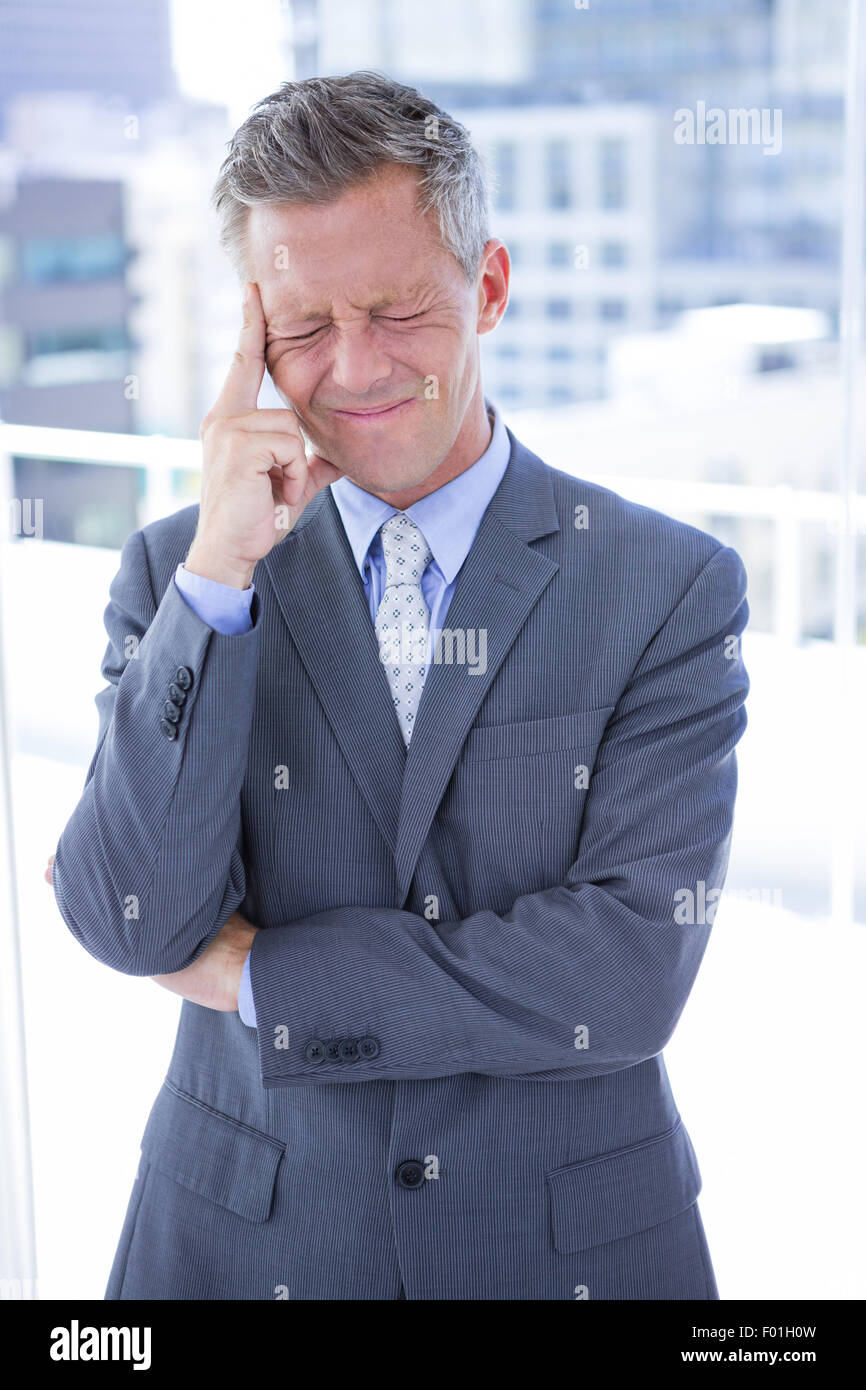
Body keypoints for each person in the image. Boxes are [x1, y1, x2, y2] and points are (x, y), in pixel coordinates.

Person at [52, 71, 749, 1301]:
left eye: (398, 309)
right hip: (243, 1243)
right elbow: (129, 920)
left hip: (564, 1251)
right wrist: (219, 574)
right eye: (303, 327)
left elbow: (621, 974)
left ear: (489, 287)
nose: (355, 367)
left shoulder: (666, 587)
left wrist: (258, 977)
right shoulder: (181, 573)